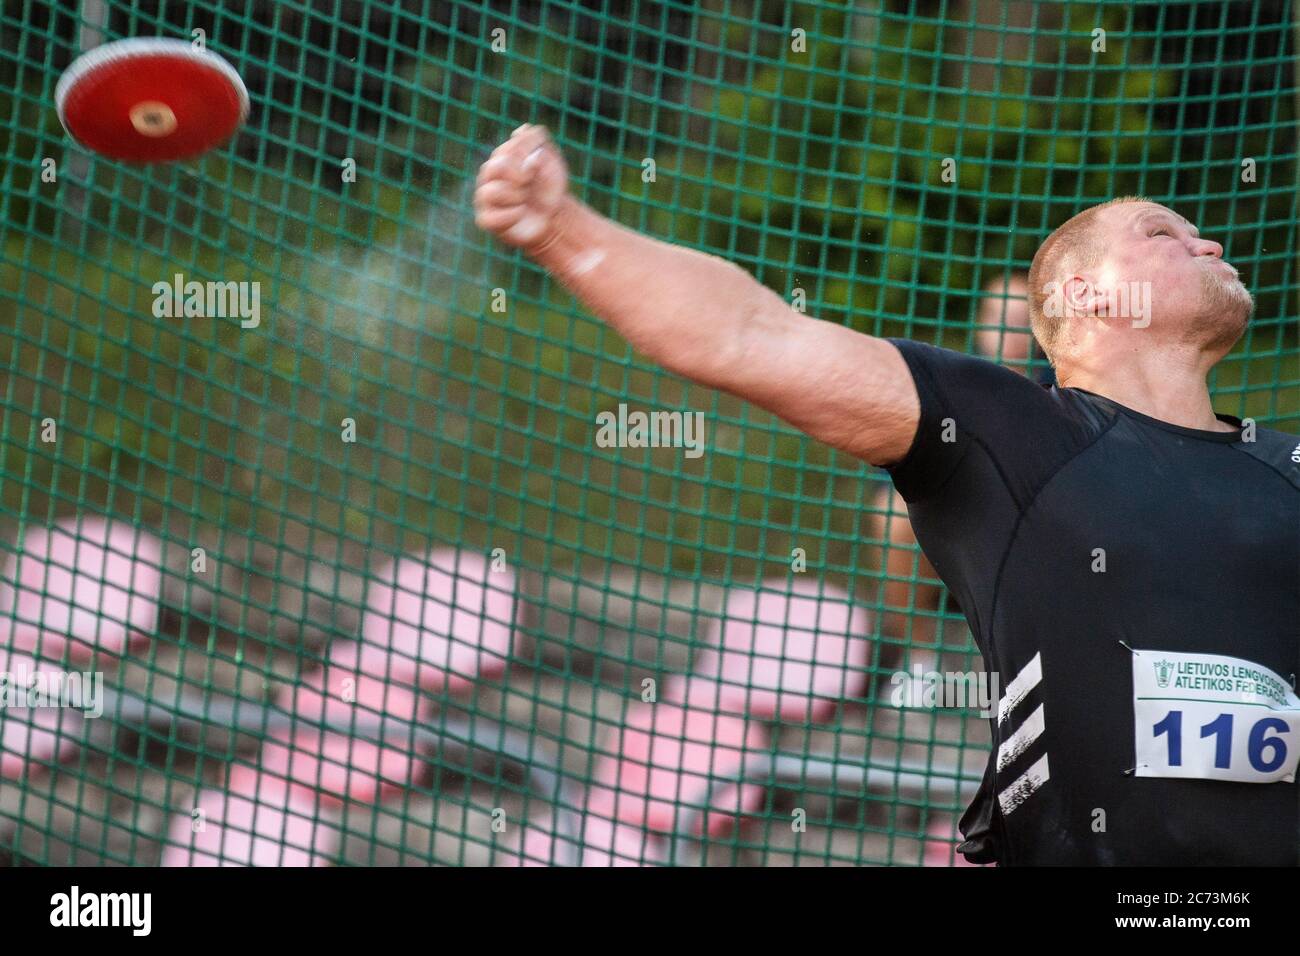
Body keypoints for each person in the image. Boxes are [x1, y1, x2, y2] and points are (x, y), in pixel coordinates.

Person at [474, 124, 1300, 866]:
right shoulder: (1011, 432)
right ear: (1084, 294)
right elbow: (749, 334)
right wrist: (562, 230)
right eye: (1165, 233)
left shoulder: (1288, 466)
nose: (1210, 243)